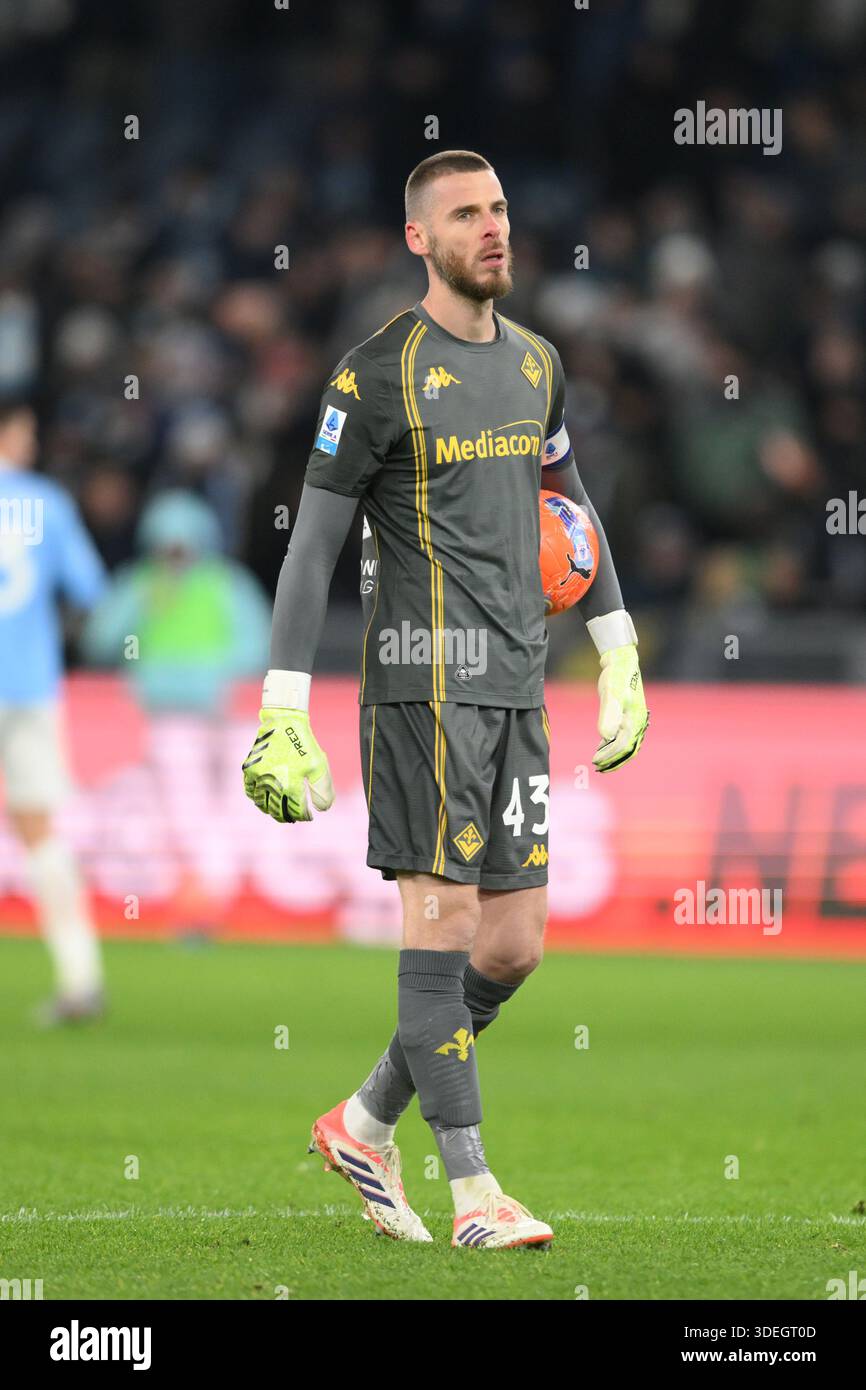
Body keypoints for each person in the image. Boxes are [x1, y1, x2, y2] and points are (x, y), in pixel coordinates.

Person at [242, 151, 649, 1249]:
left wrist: (615, 644)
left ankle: (364, 1121)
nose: (492, 228)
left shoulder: (535, 367)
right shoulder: (374, 373)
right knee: (441, 927)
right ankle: (475, 1194)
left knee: (511, 946)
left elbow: (567, 499)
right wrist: (284, 703)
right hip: (421, 687)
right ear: (418, 237)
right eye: (465, 214)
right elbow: (312, 545)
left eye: (501, 209)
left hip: (517, 686)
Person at [0, 398, 107, 1023]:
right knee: (39, 830)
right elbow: (89, 589)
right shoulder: (45, 503)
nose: (32, 439)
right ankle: (80, 976)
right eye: (26, 428)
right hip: (30, 687)